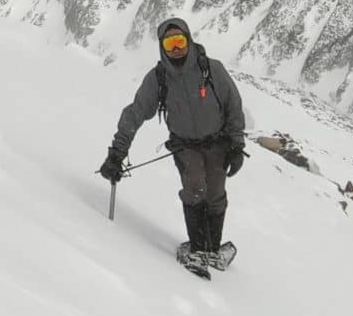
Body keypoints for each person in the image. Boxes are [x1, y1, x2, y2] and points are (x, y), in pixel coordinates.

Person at [99, 17, 246, 271]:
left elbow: (233, 105)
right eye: (170, 44)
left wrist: (236, 144)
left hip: (218, 143)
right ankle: (198, 249)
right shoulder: (159, 78)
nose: (176, 48)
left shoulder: (212, 70)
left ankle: (211, 250)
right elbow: (135, 114)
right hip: (185, 145)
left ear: (189, 40)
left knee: (216, 196)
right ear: (162, 47)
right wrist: (117, 152)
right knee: (196, 188)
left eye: (179, 41)